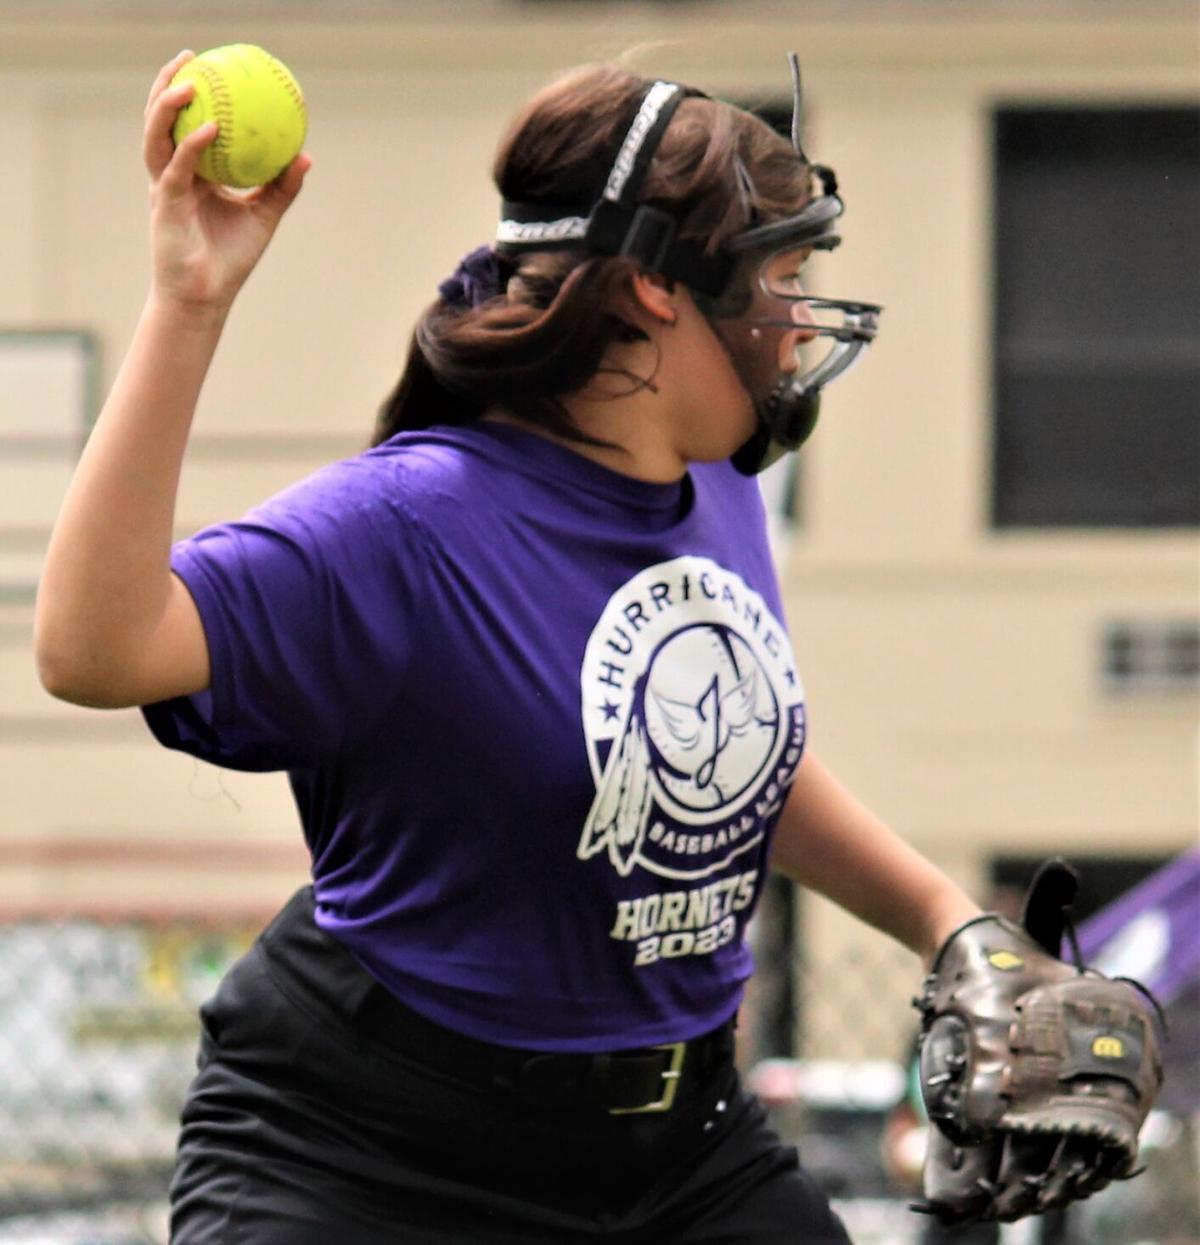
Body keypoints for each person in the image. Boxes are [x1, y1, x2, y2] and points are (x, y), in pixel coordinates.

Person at [34, 48, 983, 1245]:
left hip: (680, 1153)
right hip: (373, 1159)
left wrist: (955, 925)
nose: (799, 322)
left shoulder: (713, 483)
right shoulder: (409, 522)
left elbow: (724, 768)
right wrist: (190, 302)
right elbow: (91, 651)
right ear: (655, 291)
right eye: (780, 276)